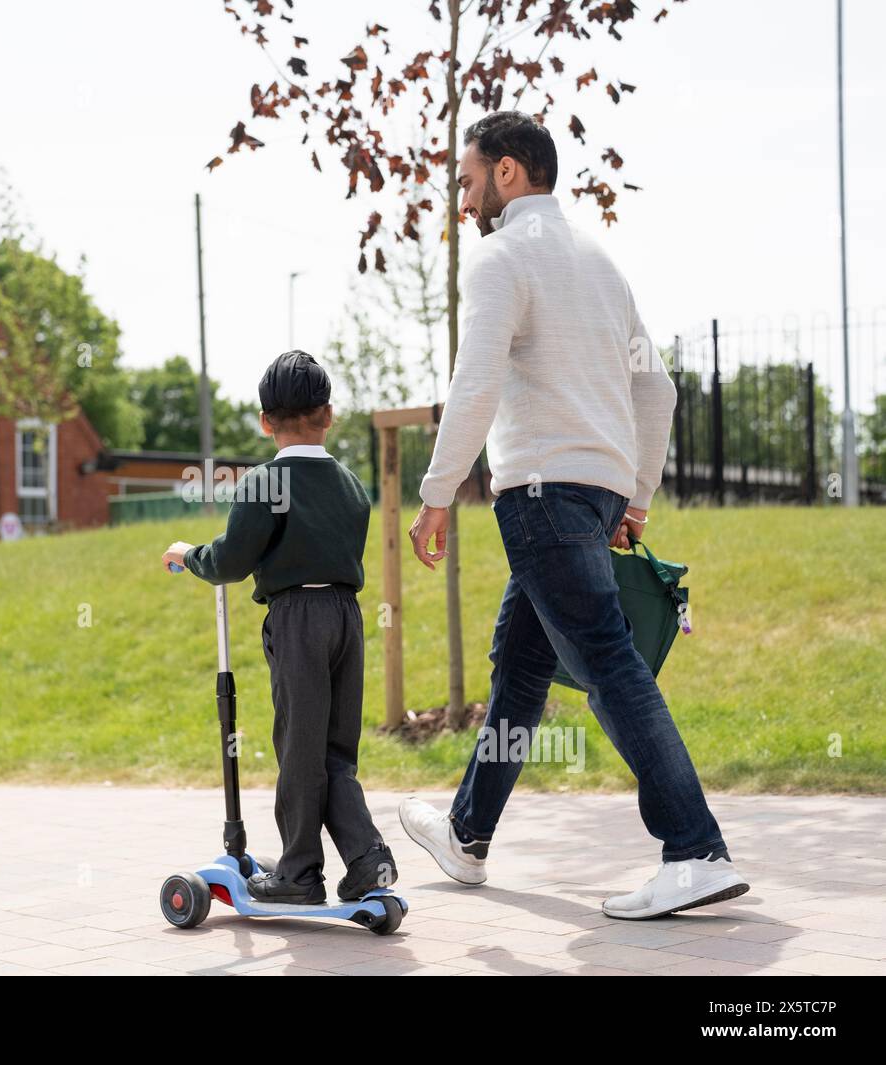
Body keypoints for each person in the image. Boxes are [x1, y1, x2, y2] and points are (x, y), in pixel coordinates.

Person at [402, 111, 748, 920]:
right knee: (520, 669)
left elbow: (476, 380)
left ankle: (694, 847)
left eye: (468, 179)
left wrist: (435, 494)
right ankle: (467, 833)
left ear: (509, 172)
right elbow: (655, 387)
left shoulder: (499, 259)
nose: (463, 199)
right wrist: (635, 497)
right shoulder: (601, 264)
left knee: (606, 662)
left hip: (540, 496)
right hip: (591, 498)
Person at [162, 350, 396, 905]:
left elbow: (231, 560)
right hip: (346, 615)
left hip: (298, 622)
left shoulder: (265, 483)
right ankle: (368, 860)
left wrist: (189, 555)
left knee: (298, 748)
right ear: (329, 414)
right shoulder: (350, 484)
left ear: (266, 422)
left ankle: (298, 874)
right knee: (336, 751)